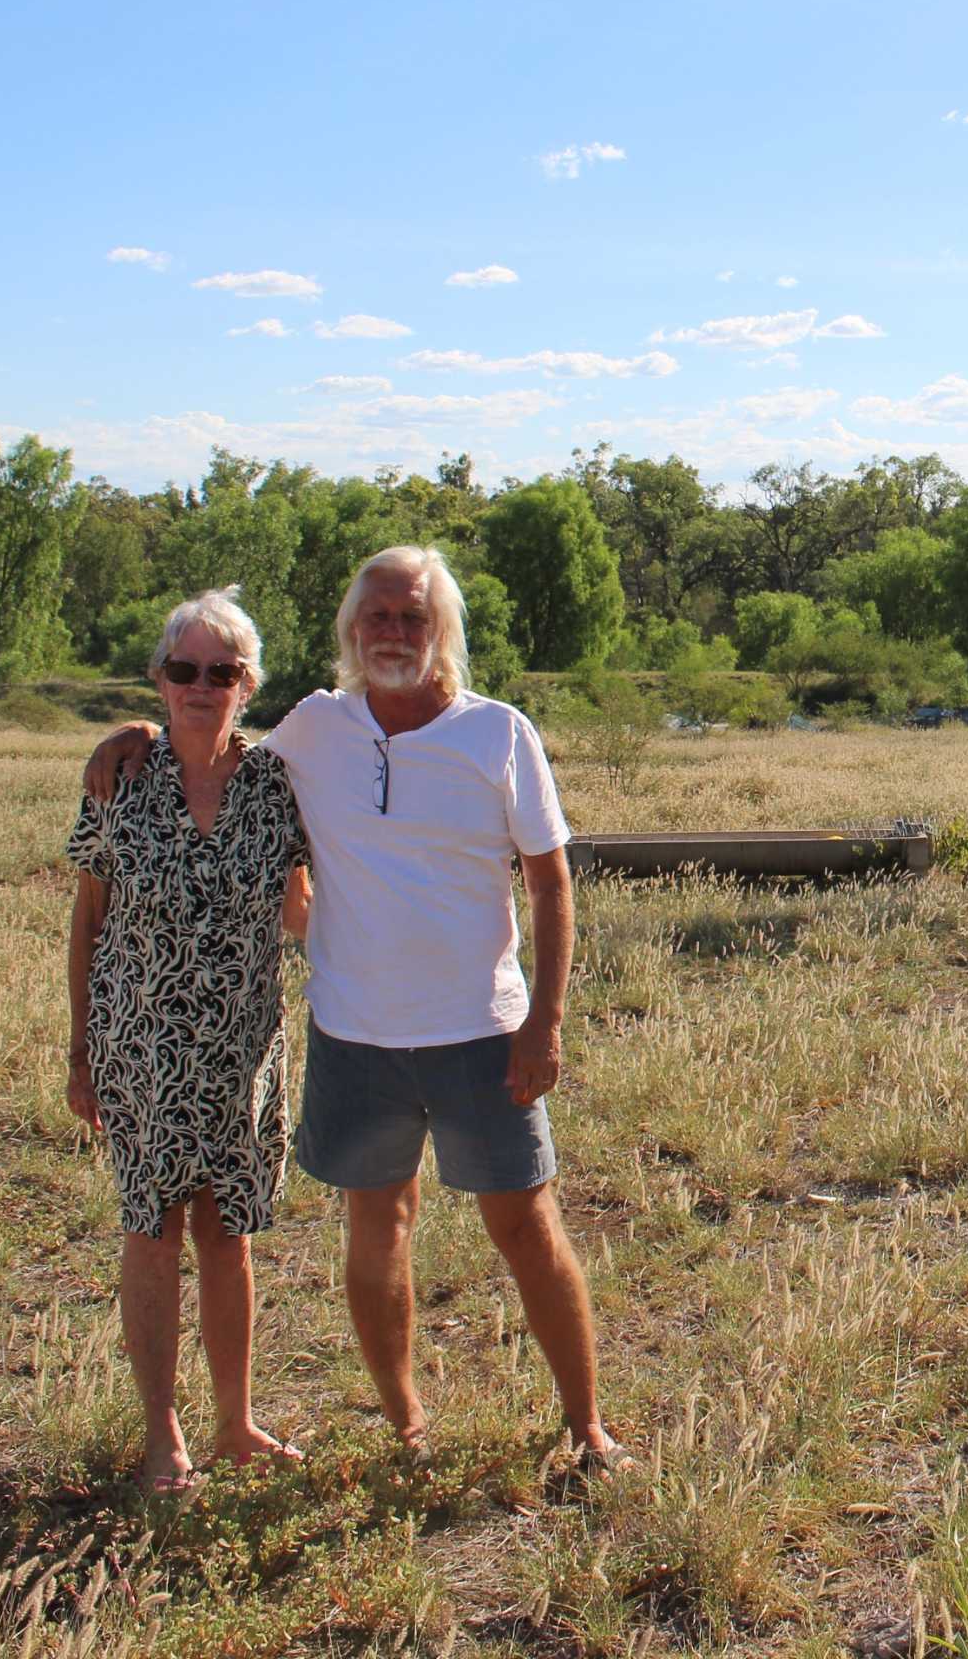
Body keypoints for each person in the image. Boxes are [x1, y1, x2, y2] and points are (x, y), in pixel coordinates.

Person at [84, 546, 621, 1468]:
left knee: (528, 1230)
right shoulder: (318, 728)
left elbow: (551, 883)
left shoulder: (499, 734)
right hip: (355, 1039)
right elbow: (212, 736)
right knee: (377, 1237)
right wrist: (132, 730)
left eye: (412, 616)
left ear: (442, 630)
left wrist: (546, 1022)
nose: (393, 632)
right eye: (376, 616)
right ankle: (407, 1426)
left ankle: (586, 1426)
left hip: (482, 1036)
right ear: (348, 631)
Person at [65, 587, 313, 1493]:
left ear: (248, 685)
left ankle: (235, 1424)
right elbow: (88, 920)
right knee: (153, 1228)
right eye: (184, 670)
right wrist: (80, 1051)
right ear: (159, 680)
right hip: (140, 1047)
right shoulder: (118, 782)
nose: (201, 686)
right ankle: (162, 1437)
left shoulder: (278, 784)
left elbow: (304, 905)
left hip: (242, 1049)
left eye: (222, 671)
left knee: (228, 1233)